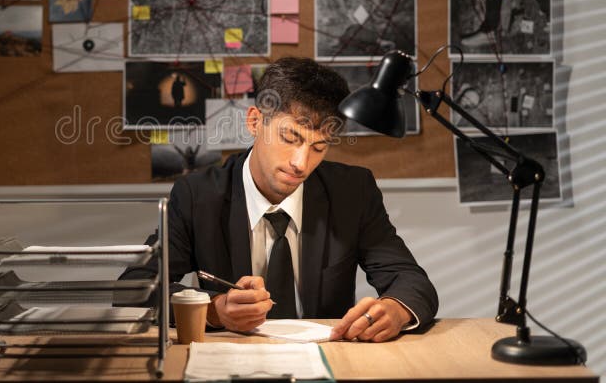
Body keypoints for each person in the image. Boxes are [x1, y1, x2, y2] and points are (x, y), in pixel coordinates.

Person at [121, 57, 438, 342]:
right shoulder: (197, 195)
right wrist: (214, 310)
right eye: (290, 138)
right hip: (232, 362)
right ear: (255, 121)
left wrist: (395, 310)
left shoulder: (352, 191)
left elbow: (411, 280)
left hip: (329, 362)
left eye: (319, 147)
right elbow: (133, 288)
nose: (301, 163)